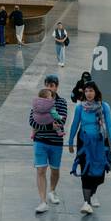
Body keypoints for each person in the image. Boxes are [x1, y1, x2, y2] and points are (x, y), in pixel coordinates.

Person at [68, 81, 111, 215]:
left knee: (98, 171)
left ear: (96, 92)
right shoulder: (80, 108)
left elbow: (110, 125)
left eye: (91, 91)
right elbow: (74, 125)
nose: (89, 93)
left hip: (101, 142)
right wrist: (70, 141)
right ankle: (86, 202)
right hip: (84, 142)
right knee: (85, 170)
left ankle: (93, 193)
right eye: (86, 91)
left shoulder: (104, 106)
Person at [29, 77, 68, 213]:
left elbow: (61, 122)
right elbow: (32, 122)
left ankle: (52, 190)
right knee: (41, 170)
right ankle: (42, 201)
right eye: (47, 85)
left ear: (56, 87)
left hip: (56, 142)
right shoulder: (38, 102)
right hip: (40, 141)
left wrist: (44, 126)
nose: (49, 87)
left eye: (52, 85)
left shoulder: (61, 102)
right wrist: (49, 126)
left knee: (55, 170)